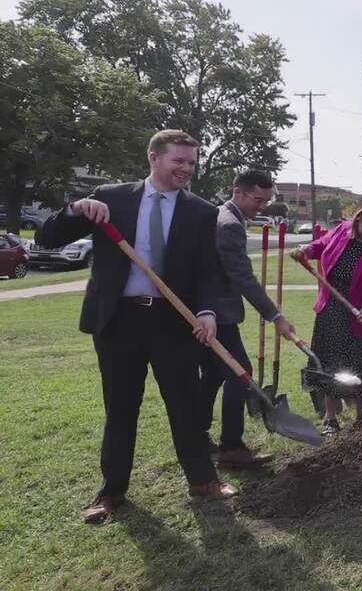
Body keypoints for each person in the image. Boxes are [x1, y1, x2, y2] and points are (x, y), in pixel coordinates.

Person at [38, 130, 235, 524]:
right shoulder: (110, 198)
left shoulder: (201, 211)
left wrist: (208, 312)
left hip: (173, 321)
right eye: (179, 160)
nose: (187, 168)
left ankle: (203, 481)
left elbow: (208, 272)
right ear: (153, 158)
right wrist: (76, 209)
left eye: (192, 162)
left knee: (185, 405)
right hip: (118, 321)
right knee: (120, 407)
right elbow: (48, 237)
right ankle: (111, 492)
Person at [196, 170, 297, 467]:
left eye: (266, 201)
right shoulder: (229, 224)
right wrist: (275, 315)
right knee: (240, 372)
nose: (262, 206)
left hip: (206, 311)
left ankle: (195, 435)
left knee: (213, 374)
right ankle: (231, 447)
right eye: (258, 199)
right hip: (217, 314)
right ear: (237, 192)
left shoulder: (222, 216)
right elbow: (242, 277)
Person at [290, 203, 362, 435]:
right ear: (358, 219)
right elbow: (323, 245)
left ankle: (360, 417)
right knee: (332, 365)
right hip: (332, 310)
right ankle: (330, 418)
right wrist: (307, 250)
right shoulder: (343, 230)